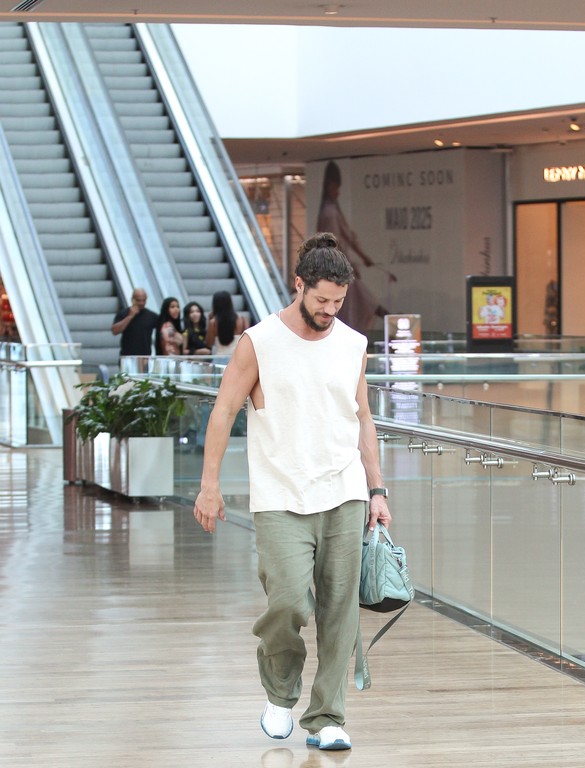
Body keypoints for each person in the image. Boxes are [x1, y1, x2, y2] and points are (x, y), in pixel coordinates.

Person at [194, 232, 391, 752]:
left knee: (339, 609)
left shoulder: (352, 344)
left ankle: (326, 715)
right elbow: (223, 411)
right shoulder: (258, 342)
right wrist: (209, 485)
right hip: (280, 498)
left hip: (344, 493)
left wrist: (377, 488)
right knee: (287, 603)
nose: (330, 310)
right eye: (321, 299)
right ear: (298, 285)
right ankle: (281, 693)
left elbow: (363, 418)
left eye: (338, 301)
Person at [316, 160, 395, 334]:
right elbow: (335, 242)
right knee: (363, 301)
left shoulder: (330, 210)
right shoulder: (329, 212)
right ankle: (394, 321)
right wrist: (349, 264)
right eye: (335, 187)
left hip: (336, 267)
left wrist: (362, 257)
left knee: (363, 301)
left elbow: (345, 237)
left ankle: (393, 320)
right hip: (335, 268)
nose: (337, 192)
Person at [111, 288, 158, 357]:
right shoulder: (124, 313)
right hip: (127, 356)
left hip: (145, 357)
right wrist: (130, 316)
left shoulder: (151, 316)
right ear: (133, 300)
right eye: (139, 300)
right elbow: (115, 331)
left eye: (144, 300)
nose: (141, 303)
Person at [205, 290, 249, 355]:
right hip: (238, 357)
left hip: (220, 358)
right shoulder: (242, 319)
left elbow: (209, 343)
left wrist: (209, 321)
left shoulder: (213, 323)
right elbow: (248, 340)